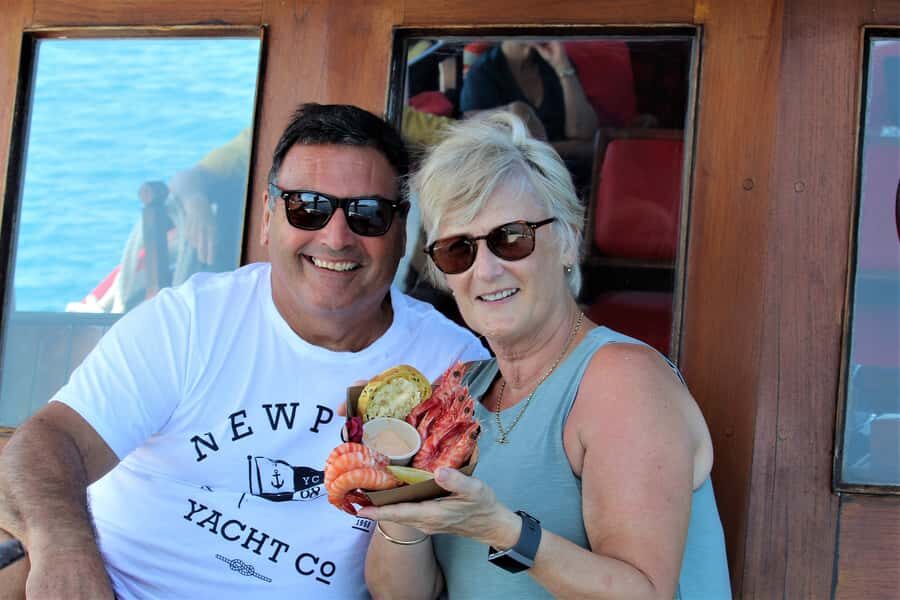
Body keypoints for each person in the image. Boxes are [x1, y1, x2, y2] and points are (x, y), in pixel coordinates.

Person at [0, 103, 488, 599]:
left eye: (368, 214)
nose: (336, 237)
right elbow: (45, 443)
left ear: (402, 230)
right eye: (308, 207)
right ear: (269, 217)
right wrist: (64, 554)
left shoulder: (451, 367)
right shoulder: (190, 323)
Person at [361, 112, 732, 599]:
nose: (486, 270)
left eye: (511, 238)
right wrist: (400, 508)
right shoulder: (458, 391)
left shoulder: (622, 382)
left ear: (567, 241)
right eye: (458, 250)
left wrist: (502, 531)